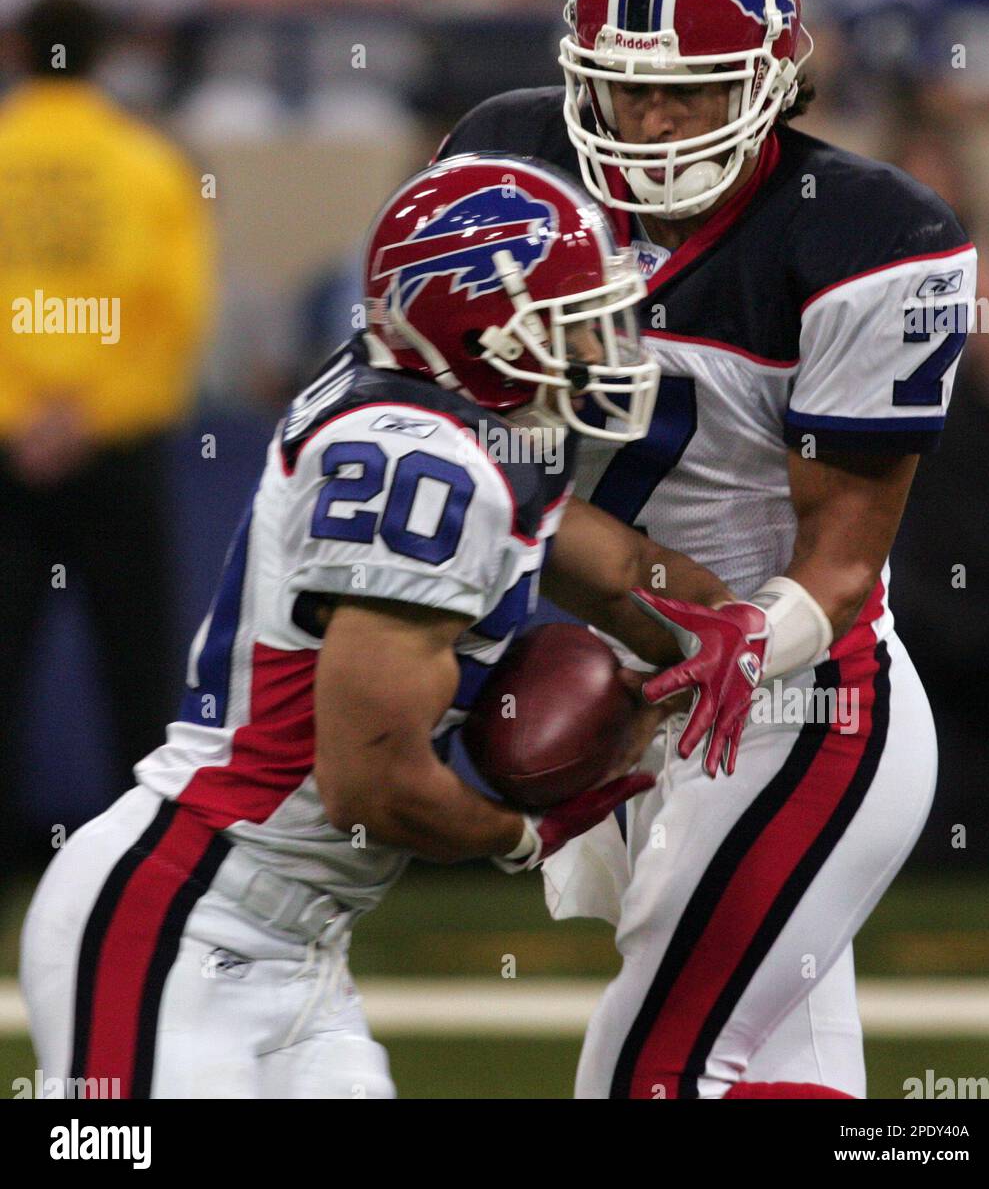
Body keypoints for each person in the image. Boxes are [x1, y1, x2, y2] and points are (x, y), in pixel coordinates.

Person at [20, 153, 755, 1100]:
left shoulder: (459, 422)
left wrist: (744, 638)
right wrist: (526, 835)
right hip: (179, 921)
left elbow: (612, 574)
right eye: (566, 323)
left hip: (297, 947)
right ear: (474, 329)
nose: (596, 349)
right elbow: (369, 784)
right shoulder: (416, 463)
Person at [435, 0, 978, 1098]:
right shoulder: (506, 161)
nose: (652, 116)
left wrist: (722, 651)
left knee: (649, 1074)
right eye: (628, 82)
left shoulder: (868, 234)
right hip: (625, 664)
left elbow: (840, 558)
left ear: (776, 76)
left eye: (692, 84)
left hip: (793, 698)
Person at [0, 0, 214, 884]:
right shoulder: (149, 162)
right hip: (113, 442)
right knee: (136, 659)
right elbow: (176, 304)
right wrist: (84, 406)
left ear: (18, 48)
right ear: (104, 53)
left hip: (7, 449)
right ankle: (147, 856)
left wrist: (24, 412)